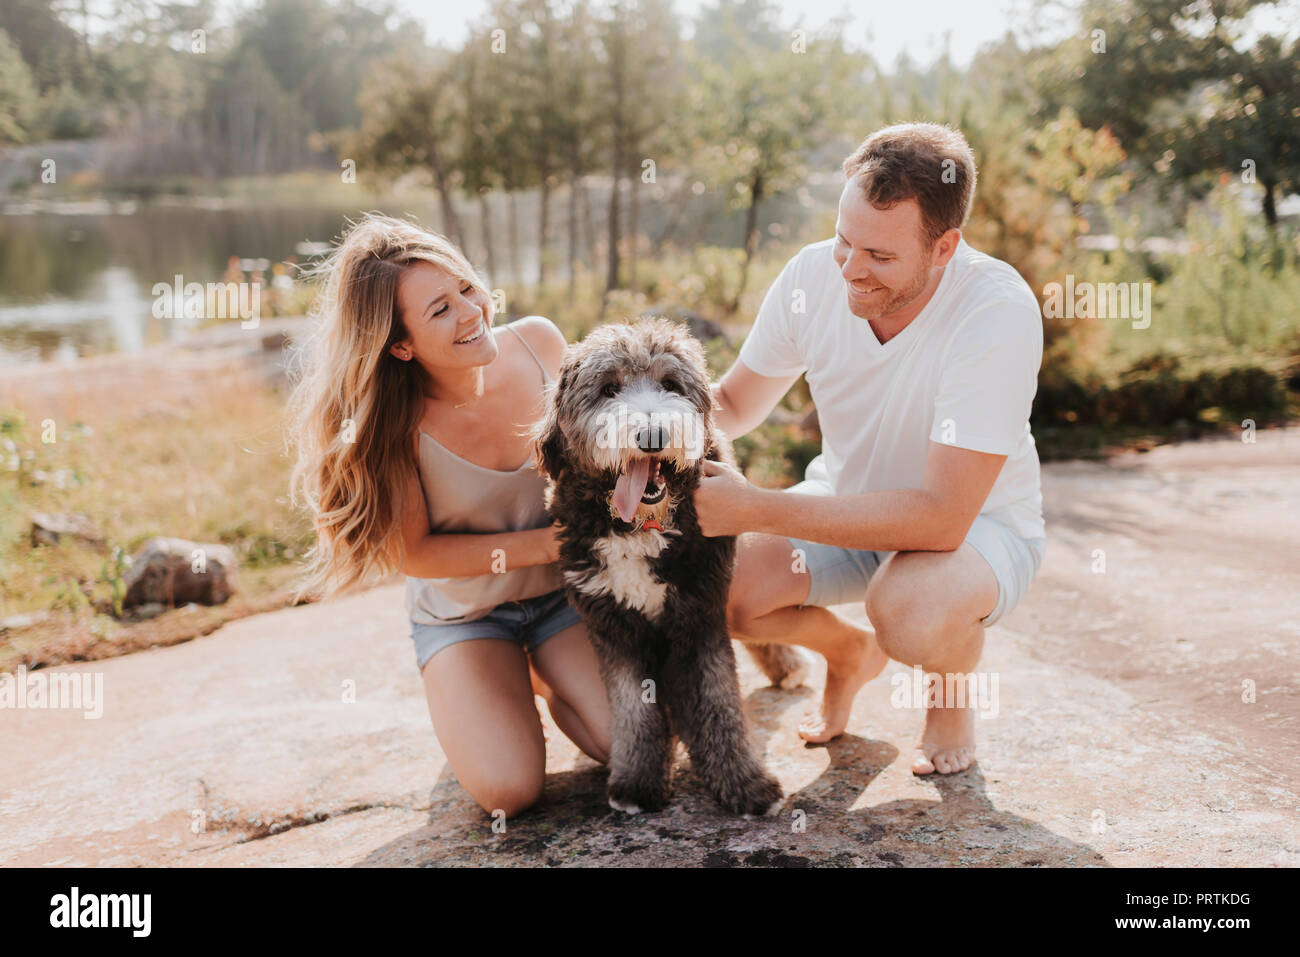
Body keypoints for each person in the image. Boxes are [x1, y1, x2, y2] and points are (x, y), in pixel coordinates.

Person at [693, 123, 1046, 776]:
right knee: (722, 589)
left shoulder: (996, 312)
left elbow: (941, 517)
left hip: (976, 532)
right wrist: (641, 410)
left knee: (906, 614)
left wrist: (755, 507)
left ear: (944, 248)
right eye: (843, 240)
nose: (852, 268)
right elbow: (735, 406)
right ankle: (849, 654)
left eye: (880, 256)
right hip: (846, 505)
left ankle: (950, 690)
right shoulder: (810, 277)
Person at [287, 214, 611, 817]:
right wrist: (551, 543)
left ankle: (544, 679)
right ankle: (486, 686)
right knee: (509, 792)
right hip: (467, 616)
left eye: (466, 287)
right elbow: (416, 554)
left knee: (635, 748)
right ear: (401, 345)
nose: (472, 311)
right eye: (440, 310)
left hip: (564, 601)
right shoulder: (392, 426)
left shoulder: (540, 345)